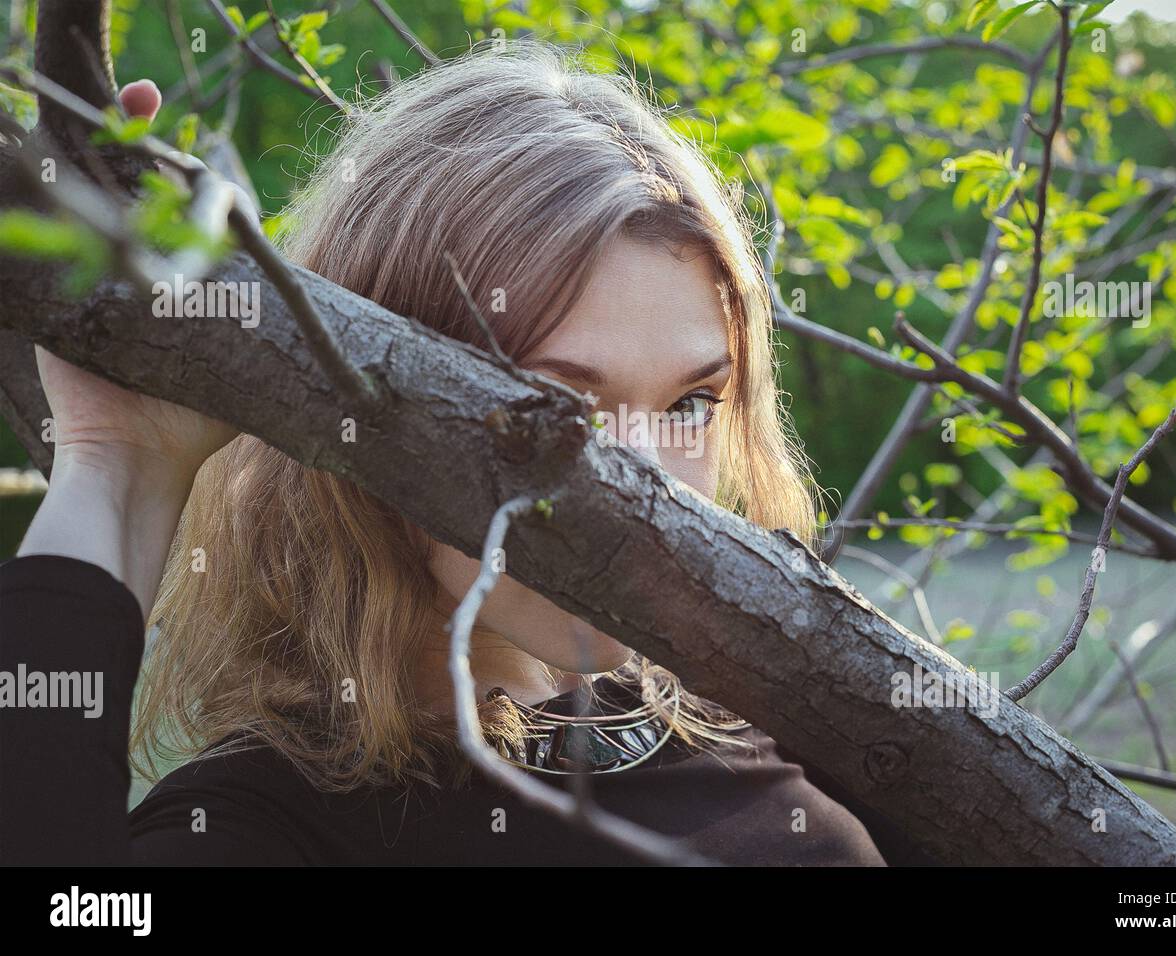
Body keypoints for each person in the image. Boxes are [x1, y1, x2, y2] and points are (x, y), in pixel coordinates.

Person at [1, 42, 920, 866]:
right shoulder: (272, 828)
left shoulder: (808, 743)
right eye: (559, 410)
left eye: (690, 403)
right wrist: (115, 463)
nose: (655, 491)